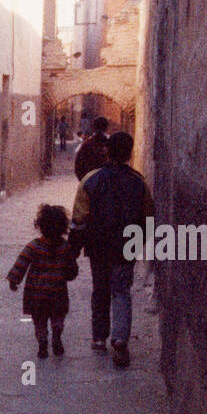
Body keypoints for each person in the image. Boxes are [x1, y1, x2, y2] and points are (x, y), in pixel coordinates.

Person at [69, 130, 155, 368]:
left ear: (107, 151)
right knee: (121, 292)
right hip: (125, 248)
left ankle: (99, 337)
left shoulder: (91, 180)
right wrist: (137, 244)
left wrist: (73, 250)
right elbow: (148, 217)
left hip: (97, 247)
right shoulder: (139, 183)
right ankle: (119, 340)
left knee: (100, 290)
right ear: (129, 153)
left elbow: (79, 219)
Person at [7, 204, 76, 358]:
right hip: (58, 292)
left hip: (36, 293)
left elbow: (21, 263)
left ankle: (43, 343)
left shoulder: (33, 246)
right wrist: (67, 274)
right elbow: (72, 270)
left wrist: (14, 280)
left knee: (39, 320)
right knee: (58, 317)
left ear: (40, 225)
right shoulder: (65, 247)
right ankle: (57, 336)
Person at [74, 115, 111, 181]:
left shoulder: (86, 144)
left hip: (90, 183)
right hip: (107, 184)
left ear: (93, 128)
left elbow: (78, 167)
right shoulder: (110, 144)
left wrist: (85, 182)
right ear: (106, 128)